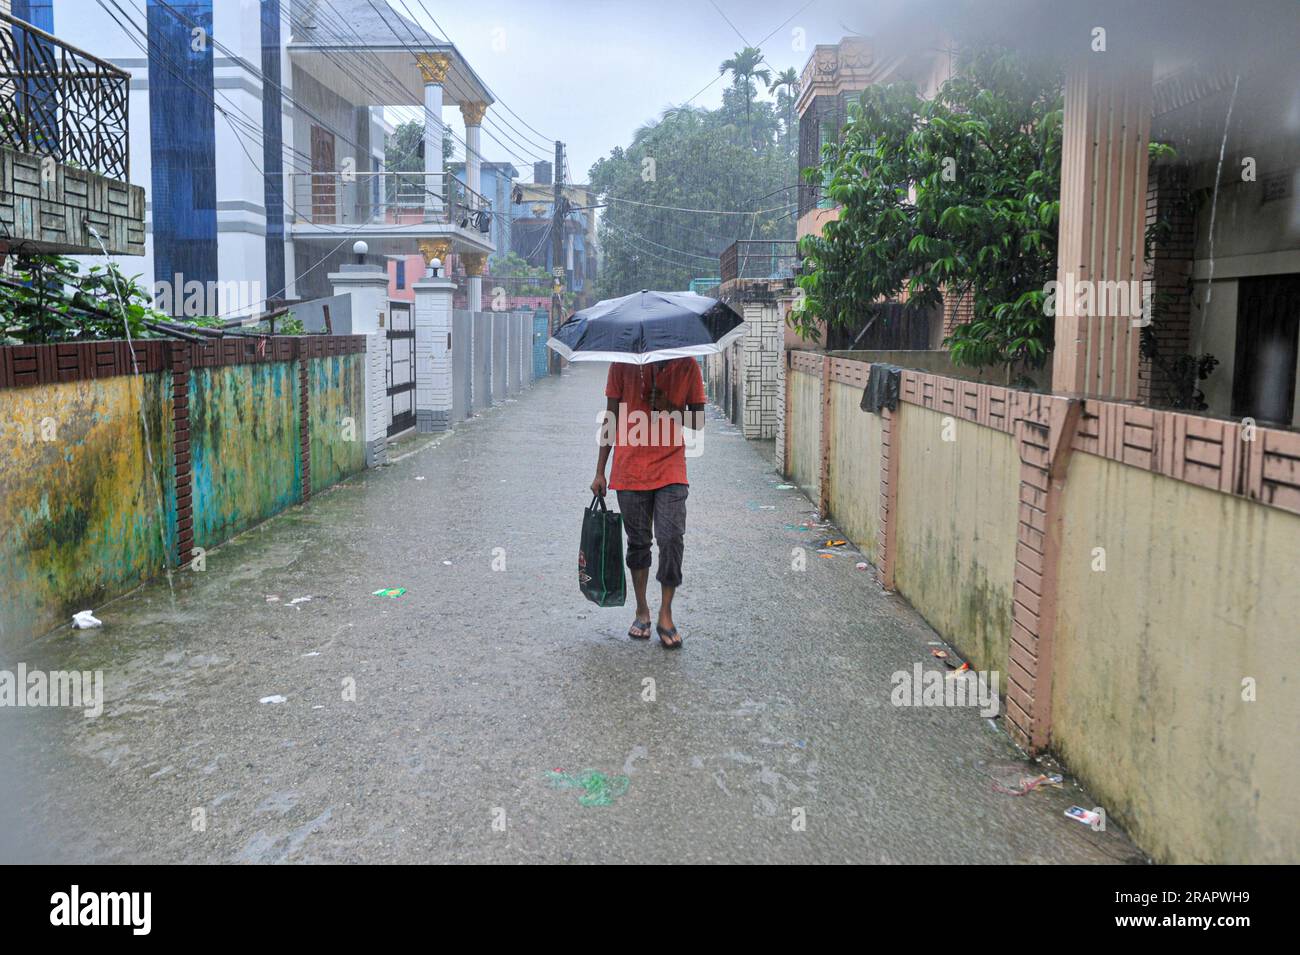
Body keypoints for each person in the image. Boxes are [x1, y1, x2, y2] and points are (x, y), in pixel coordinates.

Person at [591, 358, 706, 649]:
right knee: (638, 543)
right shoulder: (621, 365)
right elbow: (611, 417)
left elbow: (698, 421)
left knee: (671, 539)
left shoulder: (688, 366)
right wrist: (599, 471)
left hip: (671, 468)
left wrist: (670, 406)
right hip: (630, 469)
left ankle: (665, 612)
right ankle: (642, 608)